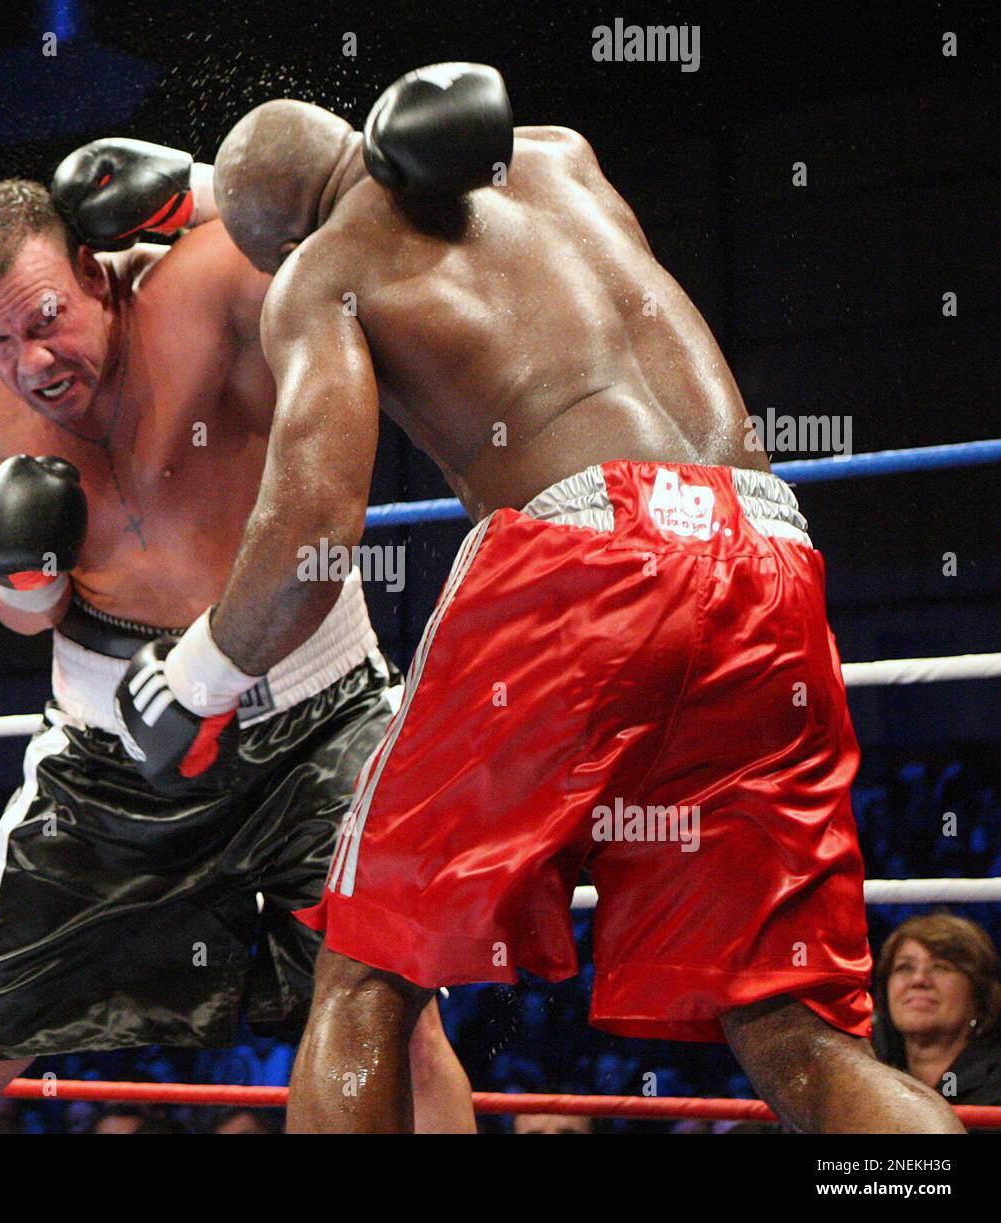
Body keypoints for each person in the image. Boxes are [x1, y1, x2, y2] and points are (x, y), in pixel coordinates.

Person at [114, 63, 965, 1133]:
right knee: (793, 1025)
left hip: (581, 563)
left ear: (275, 244)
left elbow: (311, 533)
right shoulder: (558, 156)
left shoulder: (319, 271)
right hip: (769, 551)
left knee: (367, 971)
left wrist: (194, 678)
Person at [0, 145, 471, 1133]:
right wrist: (21, 568)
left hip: (321, 720)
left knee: (403, 1022)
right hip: (114, 756)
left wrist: (197, 184)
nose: (31, 361)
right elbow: (22, 612)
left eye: (45, 319)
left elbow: (352, 249)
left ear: (94, 270)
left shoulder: (203, 286)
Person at [873, 912, 1001, 1107]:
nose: (918, 980)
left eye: (940, 967)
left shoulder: (995, 1082)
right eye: (905, 968)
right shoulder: (866, 1063)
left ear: (979, 992)